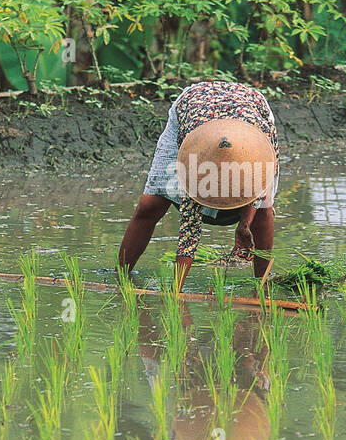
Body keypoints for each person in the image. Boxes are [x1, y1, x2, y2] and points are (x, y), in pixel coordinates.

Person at [118, 80, 279, 289]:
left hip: (251, 110)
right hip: (195, 109)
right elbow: (189, 231)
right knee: (150, 204)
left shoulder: (257, 156)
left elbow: (258, 193)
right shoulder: (195, 162)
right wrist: (176, 293)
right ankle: (121, 275)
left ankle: (262, 285)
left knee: (263, 212)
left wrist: (244, 226)